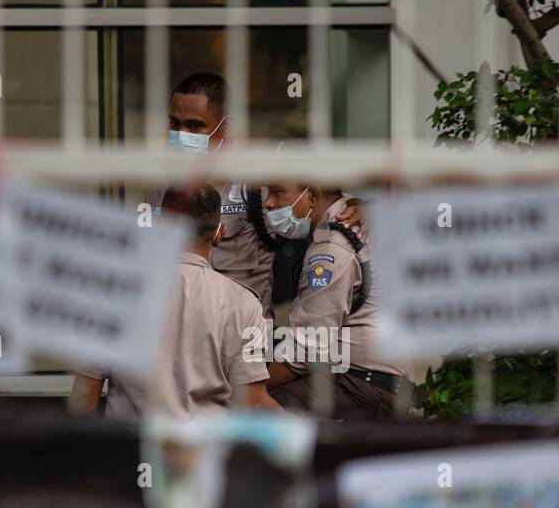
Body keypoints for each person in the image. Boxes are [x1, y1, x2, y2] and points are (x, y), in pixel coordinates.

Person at [163, 72, 368, 317]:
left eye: (195, 125)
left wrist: (361, 206)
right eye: (174, 123)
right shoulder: (160, 178)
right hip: (179, 323)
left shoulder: (259, 175)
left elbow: (323, 199)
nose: (181, 134)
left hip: (244, 328)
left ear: (226, 126)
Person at [68, 186, 280, 418]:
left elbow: (85, 394)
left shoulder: (115, 296)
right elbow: (253, 403)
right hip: (203, 449)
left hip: (129, 449)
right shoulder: (243, 304)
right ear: (220, 231)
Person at [261, 181, 413, 420]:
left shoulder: (333, 246)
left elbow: (308, 350)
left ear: (312, 196)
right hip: (372, 382)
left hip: (360, 385)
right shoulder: (348, 218)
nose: (268, 203)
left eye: (278, 193)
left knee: (261, 414)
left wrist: (254, 392)